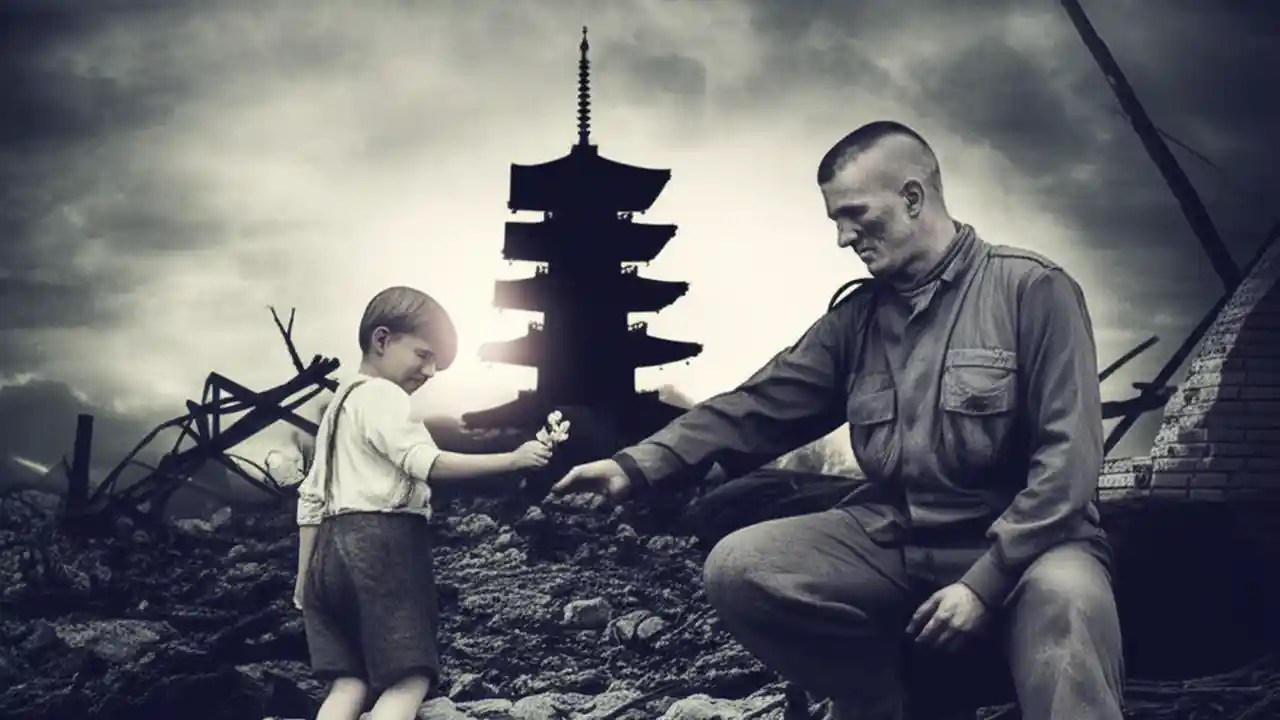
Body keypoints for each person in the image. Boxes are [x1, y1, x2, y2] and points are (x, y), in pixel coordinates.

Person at [552, 121, 1125, 719]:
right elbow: (758, 405)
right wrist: (637, 465)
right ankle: (884, 704)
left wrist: (984, 583)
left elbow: (1068, 465)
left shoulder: (1033, 290)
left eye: (855, 214)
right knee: (742, 568)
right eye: (835, 221)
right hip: (900, 538)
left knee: (1069, 603)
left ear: (911, 197)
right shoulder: (855, 322)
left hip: (1031, 546)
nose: (844, 238)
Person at [293, 286, 555, 720]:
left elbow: (311, 498)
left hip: (327, 558)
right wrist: (512, 459)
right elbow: (425, 463)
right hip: (383, 547)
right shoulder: (382, 396)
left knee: (349, 681)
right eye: (423, 354)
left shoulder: (338, 405)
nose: (431, 371)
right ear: (382, 340)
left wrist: (304, 579)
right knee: (408, 679)